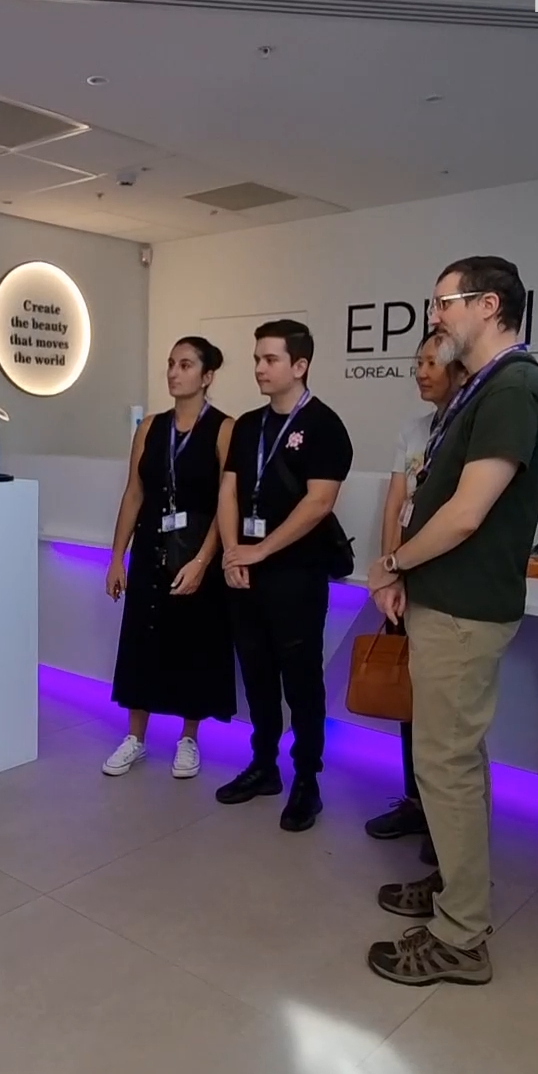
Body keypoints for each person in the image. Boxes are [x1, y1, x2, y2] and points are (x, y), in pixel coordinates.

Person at [365, 256, 538, 985]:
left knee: (444, 766)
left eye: (443, 303)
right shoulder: (480, 389)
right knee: (454, 763)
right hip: (441, 600)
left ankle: (461, 935)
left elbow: (467, 513)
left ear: (487, 304)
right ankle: (456, 889)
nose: (435, 317)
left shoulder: (514, 387)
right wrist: (405, 573)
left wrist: (394, 564)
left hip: (462, 607)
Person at [217, 320, 353, 833]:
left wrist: (259, 551)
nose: (259, 368)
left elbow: (319, 503)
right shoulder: (247, 425)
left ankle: (307, 780)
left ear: (300, 365)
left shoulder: (324, 425)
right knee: (255, 671)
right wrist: (233, 552)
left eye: (270, 359)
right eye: (256, 358)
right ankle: (263, 765)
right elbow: (228, 490)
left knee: (301, 679)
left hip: (296, 573)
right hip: (244, 573)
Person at [103, 337, 236, 778]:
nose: (174, 372)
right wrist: (117, 557)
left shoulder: (222, 427)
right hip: (151, 548)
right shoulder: (151, 428)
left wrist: (204, 560)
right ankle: (136, 738)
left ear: (207, 375)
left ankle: (188, 738)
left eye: (185, 365)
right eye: (171, 364)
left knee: (194, 643)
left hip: (197, 551)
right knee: (142, 640)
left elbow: (226, 501)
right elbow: (134, 493)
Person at [365, 333, 466, 851]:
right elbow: (395, 503)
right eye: (418, 363)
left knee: (445, 715)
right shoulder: (414, 430)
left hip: (448, 585)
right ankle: (415, 802)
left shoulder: (471, 430)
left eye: (432, 363)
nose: (422, 372)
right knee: (409, 701)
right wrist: (388, 572)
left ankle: (445, 823)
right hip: (407, 579)